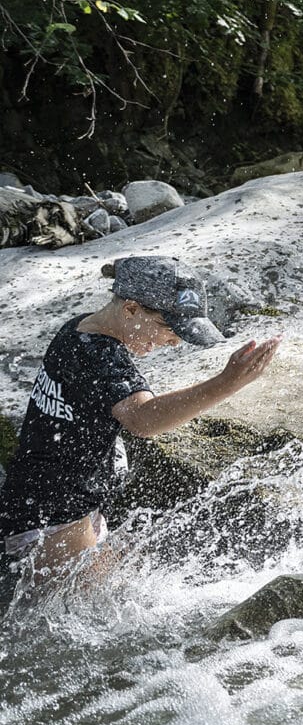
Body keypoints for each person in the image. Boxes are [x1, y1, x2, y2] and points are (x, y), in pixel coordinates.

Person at [0, 256, 280, 610]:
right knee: (81, 618)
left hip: (53, 504)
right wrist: (226, 383)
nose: (174, 342)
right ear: (131, 309)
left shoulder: (79, 331)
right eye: (169, 328)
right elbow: (143, 419)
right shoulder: (99, 355)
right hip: (56, 517)